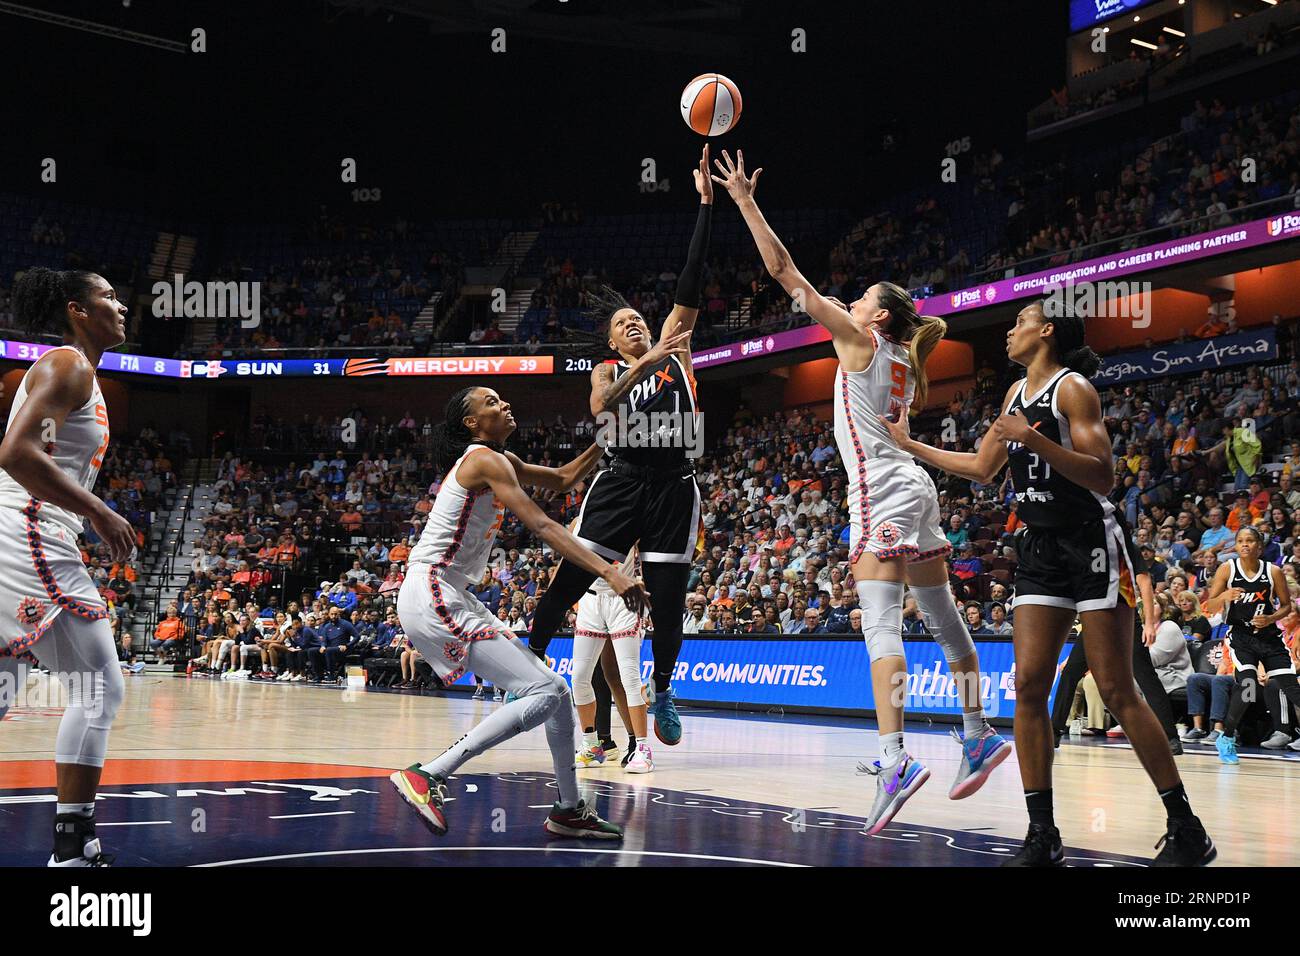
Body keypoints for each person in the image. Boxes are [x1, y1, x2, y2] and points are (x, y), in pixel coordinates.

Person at [715, 149, 1009, 836]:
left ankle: (894, 758)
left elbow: (785, 274)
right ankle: (976, 731)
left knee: (880, 625)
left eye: (860, 300)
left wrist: (744, 202)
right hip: (918, 489)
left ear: (876, 318)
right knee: (940, 617)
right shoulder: (907, 356)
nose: (849, 305)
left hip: (881, 491)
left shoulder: (862, 342)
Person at [883, 299, 1214, 866]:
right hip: (1038, 547)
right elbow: (983, 468)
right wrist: (911, 446)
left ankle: (1187, 827)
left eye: (1020, 322)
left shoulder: (1072, 389)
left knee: (1116, 688)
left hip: (1090, 541)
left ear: (1047, 331)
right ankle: (1042, 833)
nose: (1010, 331)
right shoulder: (1014, 396)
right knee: (1030, 687)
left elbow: (1104, 476)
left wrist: (1034, 440)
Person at [389, 387, 648, 839]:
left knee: (558, 694)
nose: (504, 404)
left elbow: (566, 479)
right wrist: (610, 572)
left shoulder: (499, 460)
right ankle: (429, 774)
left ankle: (569, 808)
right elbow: (544, 525)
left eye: (503, 398)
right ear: (471, 422)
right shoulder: (483, 460)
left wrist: (606, 437)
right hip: (434, 590)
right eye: (491, 402)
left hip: (447, 592)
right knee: (544, 690)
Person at [527, 145, 715, 750]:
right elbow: (600, 410)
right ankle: (526, 667)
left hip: (674, 481)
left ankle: (663, 688)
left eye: (641, 318)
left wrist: (706, 207)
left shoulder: (675, 350)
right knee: (570, 579)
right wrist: (645, 362)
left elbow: (692, 278)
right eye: (624, 322)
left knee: (667, 596)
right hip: (622, 476)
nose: (635, 323)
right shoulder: (609, 371)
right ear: (612, 339)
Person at [0, 267, 135, 867]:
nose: (121, 304)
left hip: (20, 527)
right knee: (100, 685)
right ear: (78, 309)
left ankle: (73, 845)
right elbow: (18, 452)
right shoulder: (69, 365)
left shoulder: (75, 372)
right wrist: (101, 512)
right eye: (107, 296)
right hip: (29, 528)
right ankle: (74, 848)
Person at [1204, 526, 1299, 763]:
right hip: (1241, 637)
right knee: (1247, 687)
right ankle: (1225, 737)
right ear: (1235, 546)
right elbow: (1210, 606)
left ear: (1259, 546)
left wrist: (1271, 618)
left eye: (1250, 541)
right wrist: (1225, 596)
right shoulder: (1227, 569)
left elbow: (1287, 606)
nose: (1245, 544)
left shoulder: (1273, 571)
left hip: (1269, 637)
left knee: (1293, 689)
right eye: (1240, 541)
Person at [572, 546, 654, 773]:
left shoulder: (633, 517)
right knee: (579, 677)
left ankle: (642, 748)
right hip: (589, 600)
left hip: (623, 597)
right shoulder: (578, 523)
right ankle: (591, 745)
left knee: (627, 676)